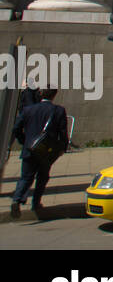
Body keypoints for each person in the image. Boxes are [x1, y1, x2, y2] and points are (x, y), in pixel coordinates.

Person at [10, 88, 68, 220]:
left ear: (41, 94)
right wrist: (62, 148)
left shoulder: (28, 110)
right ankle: (36, 203)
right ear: (54, 95)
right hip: (46, 151)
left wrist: (24, 141)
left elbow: (16, 128)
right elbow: (63, 132)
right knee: (42, 177)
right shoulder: (58, 110)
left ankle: (17, 199)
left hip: (29, 149)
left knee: (25, 177)